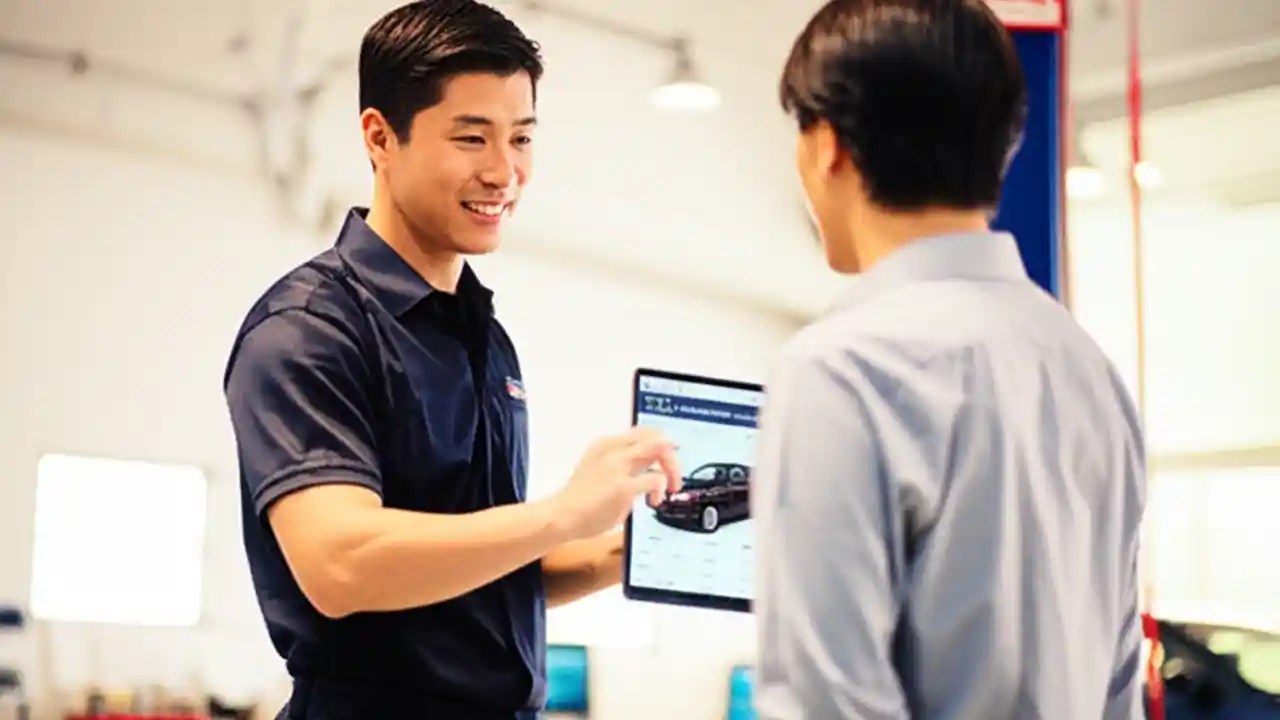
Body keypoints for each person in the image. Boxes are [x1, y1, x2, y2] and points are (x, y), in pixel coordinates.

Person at [221, 2, 679, 718]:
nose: (504, 173)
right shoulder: (311, 327)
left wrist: (631, 551)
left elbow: (480, 570)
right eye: (472, 137)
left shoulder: (485, 337)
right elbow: (341, 564)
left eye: (521, 138)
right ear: (379, 137)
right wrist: (562, 512)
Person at [752, 1, 1147, 718]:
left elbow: (827, 701)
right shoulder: (1092, 372)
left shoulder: (840, 369)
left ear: (827, 146)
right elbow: (1118, 684)